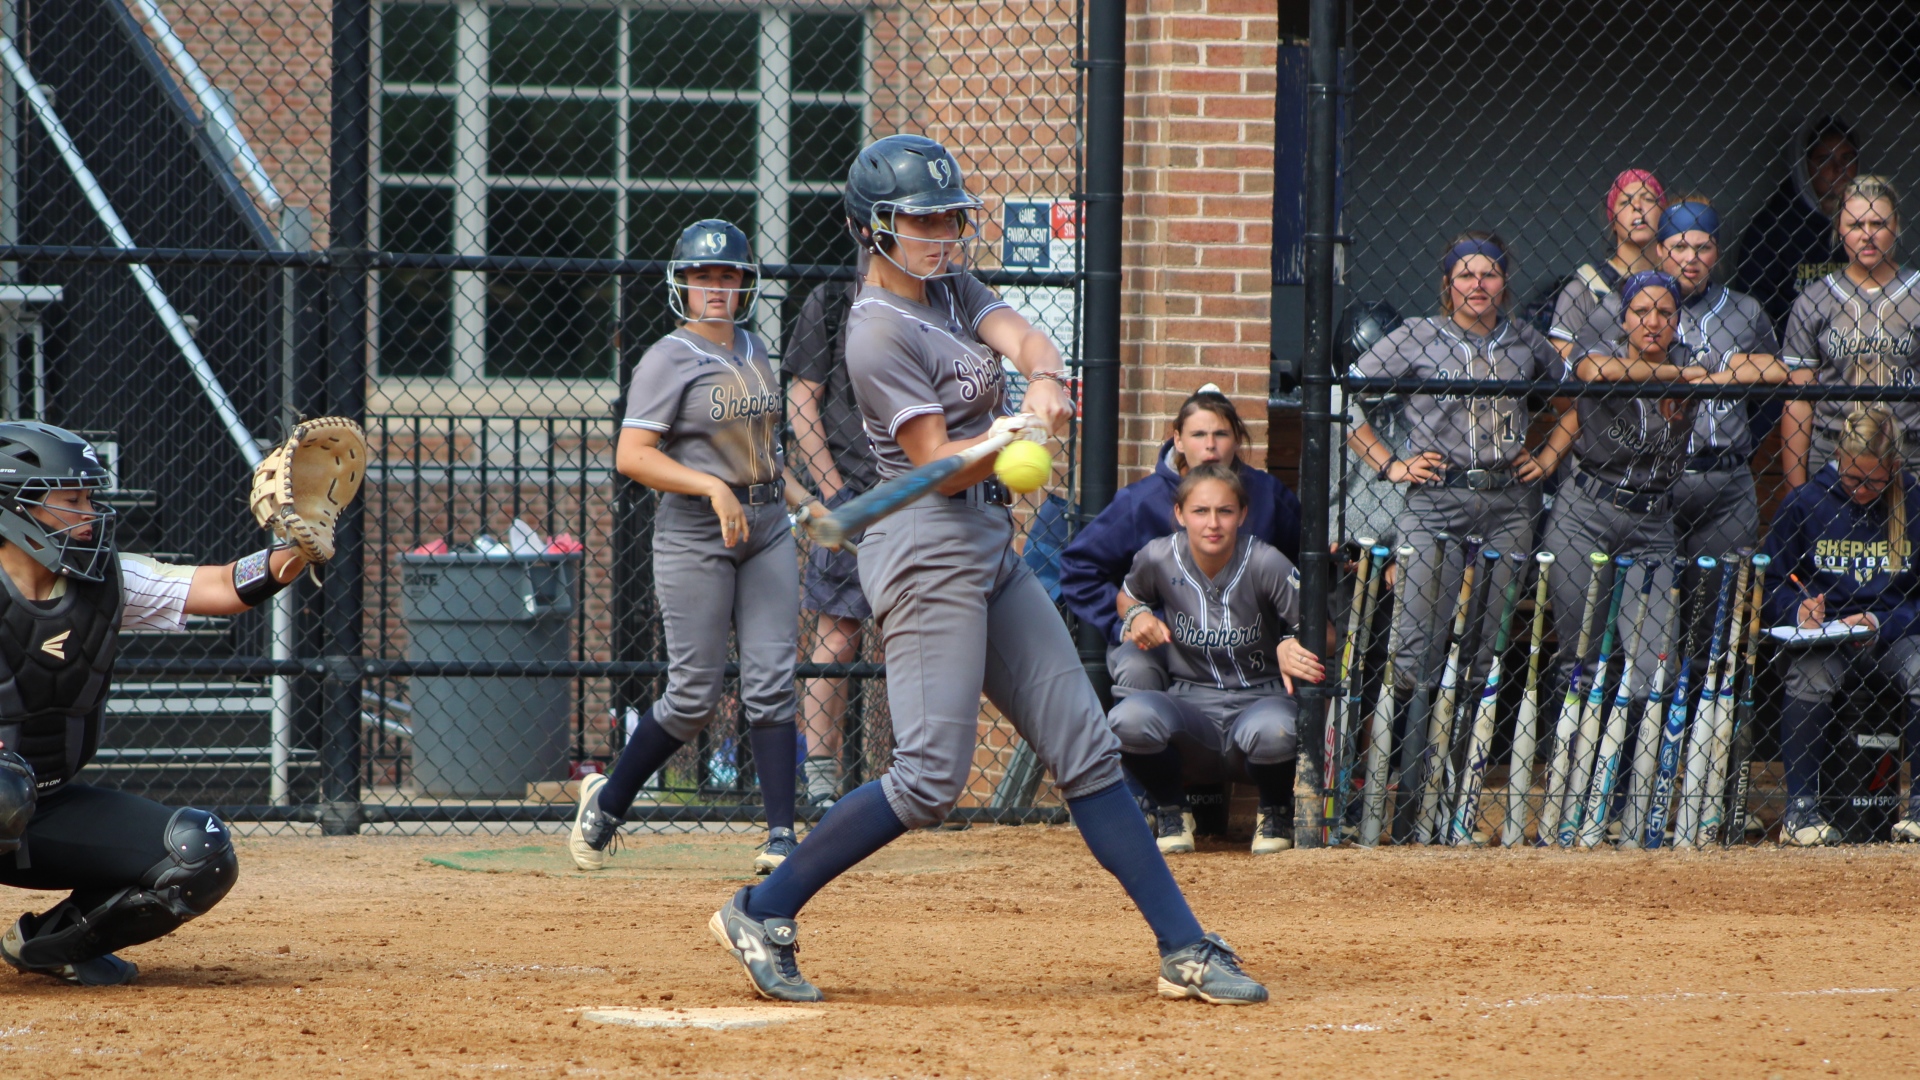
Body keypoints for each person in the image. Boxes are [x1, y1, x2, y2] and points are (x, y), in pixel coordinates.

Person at [707, 134, 1266, 1006]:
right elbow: (939, 458)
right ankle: (762, 907)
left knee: (1085, 745)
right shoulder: (874, 332)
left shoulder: (948, 289)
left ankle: (1185, 946)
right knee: (930, 776)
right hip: (924, 547)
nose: (940, 230)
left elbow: (1023, 337)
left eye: (946, 214)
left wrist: (1043, 379)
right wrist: (1002, 438)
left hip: (982, 544)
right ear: (872, 230)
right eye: (918, 219)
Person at [0, 421, 336, 985]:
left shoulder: (106, 579)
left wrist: (292, 549)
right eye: (72, 498)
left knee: (196, 854)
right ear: (14, 505)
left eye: (90, 496)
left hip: (48, 805)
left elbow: (227, 587)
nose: (90, 511)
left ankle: (48, 945)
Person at [570, 219, 827, 876]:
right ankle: (610, 800)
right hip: (694, 533)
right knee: (692, 695)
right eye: (703, 275)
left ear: (745, 284)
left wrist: (807, 505)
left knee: (772, 681)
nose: (716, 286)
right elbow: (633, 456)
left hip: (766, 527)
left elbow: (765, 454)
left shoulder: (753, 347)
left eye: (728, 275)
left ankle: (779, 835)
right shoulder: (666, 357)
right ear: (682, 282)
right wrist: (711, 488)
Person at [1568, 199, 1788, 653]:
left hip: (1722, 480)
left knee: (1711, 627)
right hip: (1648, 482)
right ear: (1660, 249)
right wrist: (1689, 375)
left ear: (1717, 253)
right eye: (1679, 246)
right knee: (1637, 629)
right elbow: (1589, 373)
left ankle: (1689, 723)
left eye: (1703, 247)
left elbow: (1775, 375)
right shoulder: (1620, 305)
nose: (1690, 258)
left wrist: (1721, 376)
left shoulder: (1744, 309)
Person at [1346, 232, 1563, 687]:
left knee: (1487, 649)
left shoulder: (1525, 339)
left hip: (1510, 503)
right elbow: (1340, 395)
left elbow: (1584, 394)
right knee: (1414, 645)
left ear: (1505, 281)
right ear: (1448, 283)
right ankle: (1410, 758)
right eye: (1466, 274)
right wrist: (1391, 465)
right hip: (1436, 499)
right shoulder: (1417, 335)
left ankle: (1469, 755)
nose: (1478, 283)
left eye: (1491, 273)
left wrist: (1548, 456)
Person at [1107, 463, 1318, 857]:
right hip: (1190, 707)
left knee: (1276, 731)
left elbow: (1320, 628)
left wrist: (1292, 640)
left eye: (1224, 511)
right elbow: (1127, 595)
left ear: (1242, 514)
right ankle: (1172, 809)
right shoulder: (1158, 556)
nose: (1212, 523)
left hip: (1261, 699)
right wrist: (1137, 615)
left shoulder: (1265, 561)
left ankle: (1275, 810)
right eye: (1200, 511)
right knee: (1127, 720)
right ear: (1180, 515)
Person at [1059, 386, 1301, 698]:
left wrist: (1285, 636)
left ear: (1238, 439)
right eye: (1199, 434)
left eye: (1222, 434)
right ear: (1178, 440)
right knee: (1136, 670)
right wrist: (1129, 622)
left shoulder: (1267, 494)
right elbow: (1079, 567)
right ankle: (1142, 743)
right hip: (1164, 641)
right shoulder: (1141, 501)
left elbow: (1301, 565)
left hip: (1248, 645)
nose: (1210, 446)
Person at [1759, 405, 1920, 845]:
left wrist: (1880, 620)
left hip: (1893, 635)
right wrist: (1798, 610)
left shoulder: (1914, 501)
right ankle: (1802, 812)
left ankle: (1919, 808)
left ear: (1893, 467)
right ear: (1837, 462)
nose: (1862, 491)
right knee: (1810, 677)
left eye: (1873, 481)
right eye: (1851, 479)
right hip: (1827, 637)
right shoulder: (1806, 501)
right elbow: (1774, 582)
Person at [786, 274, 876, 809]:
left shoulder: (950, 291)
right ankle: (821, 783)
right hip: (854, 493)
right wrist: (834, 490)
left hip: (924, 491)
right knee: (838, 638)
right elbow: (802, 397)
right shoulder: (834, 297)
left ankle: (920, 779)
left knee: (922, 641)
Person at [1780, 176, 1920, 488]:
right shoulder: (1814, 299)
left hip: (1909, 450)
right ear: (1839, 229)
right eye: (1856, 224)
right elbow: (1798, 401)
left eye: (1878, 223)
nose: (1867, 235)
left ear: (1896, 226)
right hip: (1832, 450)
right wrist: (1796, 490)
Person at [1737, 115, 1861, 330]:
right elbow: (1755, 307)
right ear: (1805, 166)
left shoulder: (1868, 221)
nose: (1838, 168)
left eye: (1847, 158)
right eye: (1824, 160)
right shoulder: (1773, 228)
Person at [1547, 169, 1665, 359]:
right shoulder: (1586, 286)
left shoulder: (1676, 281)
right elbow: (1561, 356)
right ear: (1613, 220)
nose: (1637, 206)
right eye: (1626, 202)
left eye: (1649, 199)